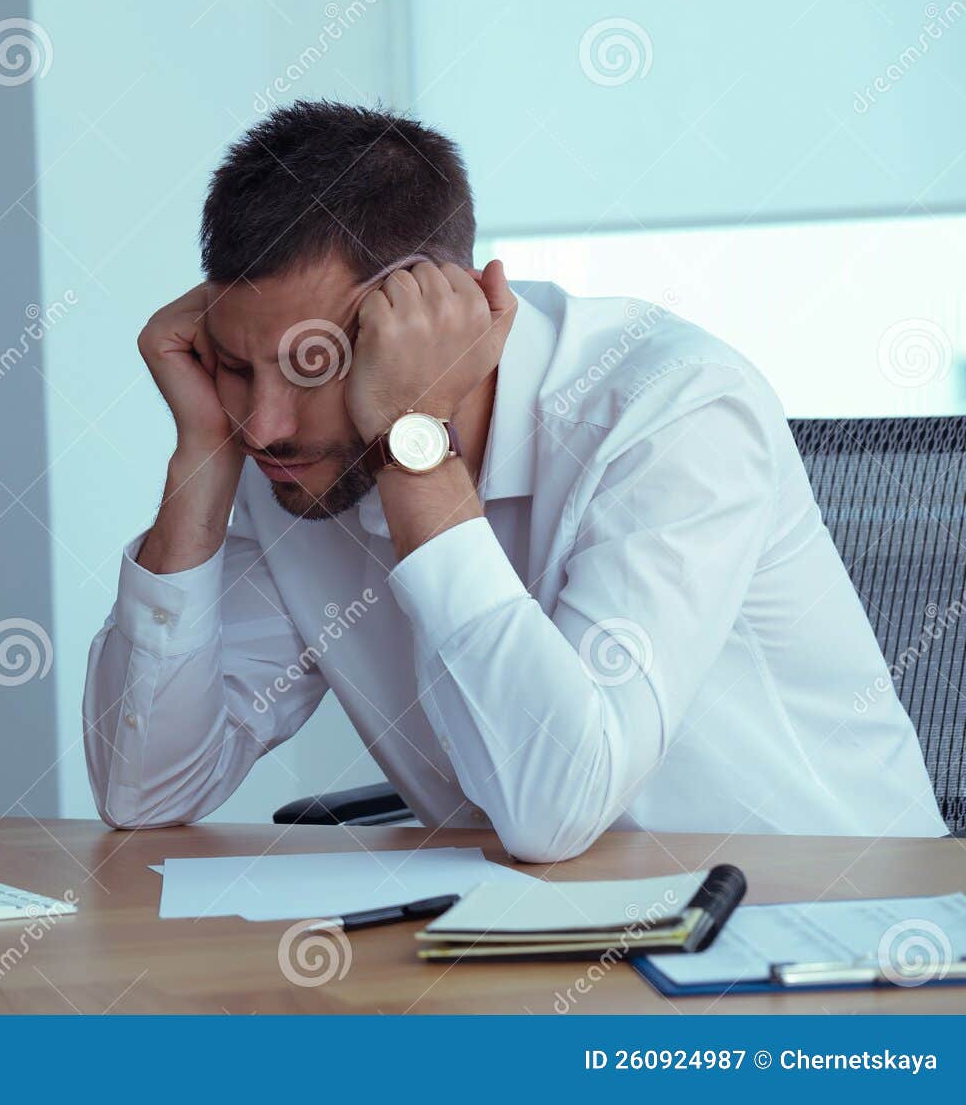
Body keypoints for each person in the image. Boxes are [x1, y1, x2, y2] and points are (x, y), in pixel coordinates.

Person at [82, 101, 946, 862]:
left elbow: (553, 810)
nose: (263, 424)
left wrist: (411, 444)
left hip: (830, 950)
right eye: (234, 367)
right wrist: (200, 459)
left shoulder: (673, 411)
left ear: (430, 315)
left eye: (311, 369)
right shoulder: (300, 462)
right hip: (533, 960)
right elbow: (146, 790)